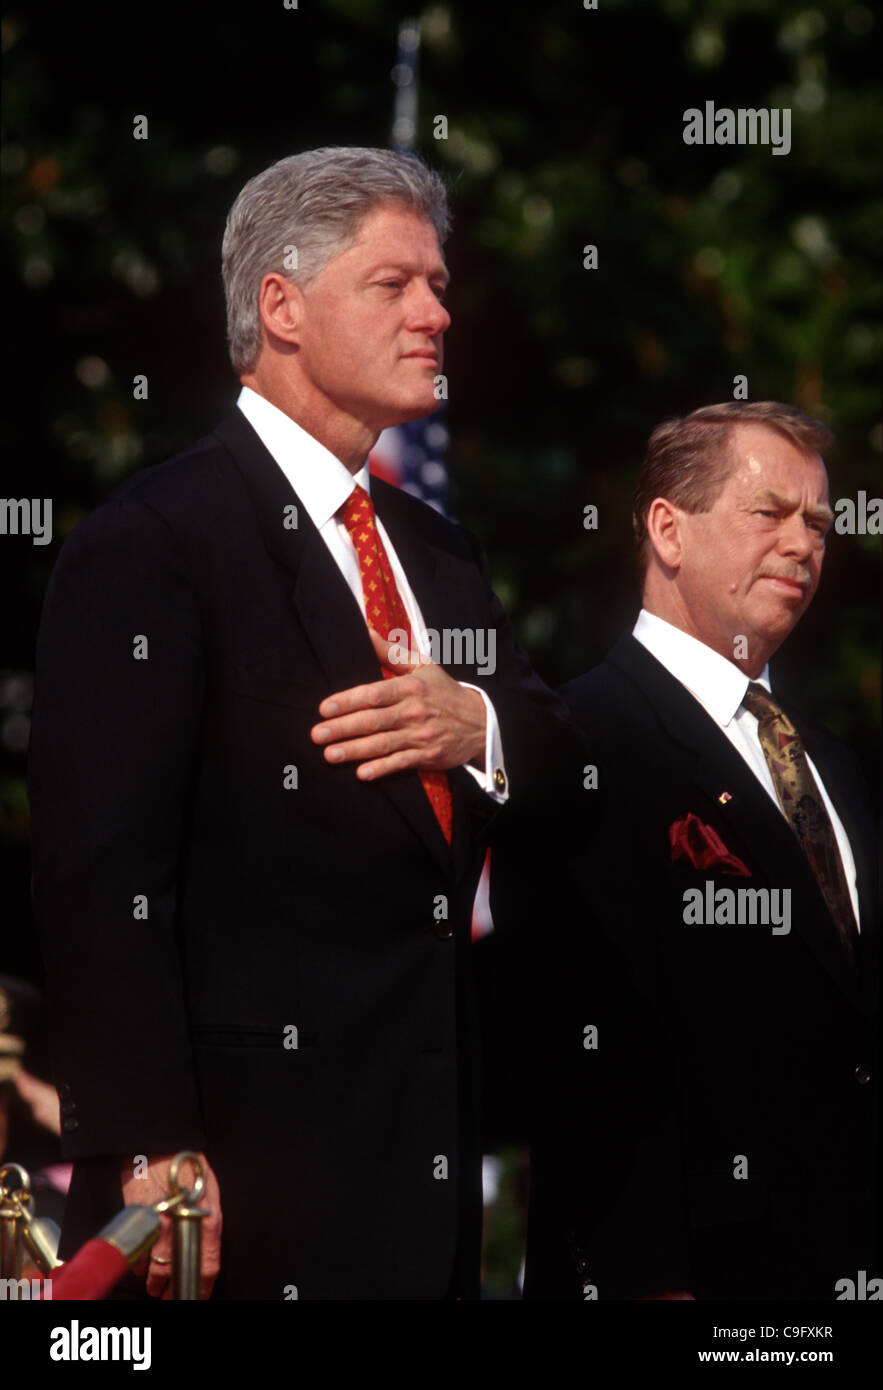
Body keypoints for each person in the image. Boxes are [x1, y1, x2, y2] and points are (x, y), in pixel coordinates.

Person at [27, 147, 579, 1300]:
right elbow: (101, 881)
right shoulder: (157, 541)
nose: (437, 313)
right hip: (233, 1190)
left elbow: (558, 747)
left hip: (426, 1178)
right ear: (280, 305)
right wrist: (152, 1148)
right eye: (395, 285)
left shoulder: (438, 550)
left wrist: (470, 718)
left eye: (438, 285)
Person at [492, 400, 878, 1300]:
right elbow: (570, 1038)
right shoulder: (574, 737)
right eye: (768, 512)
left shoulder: (831, 759)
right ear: (668, 528)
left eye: (817, 522)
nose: (802, 543)